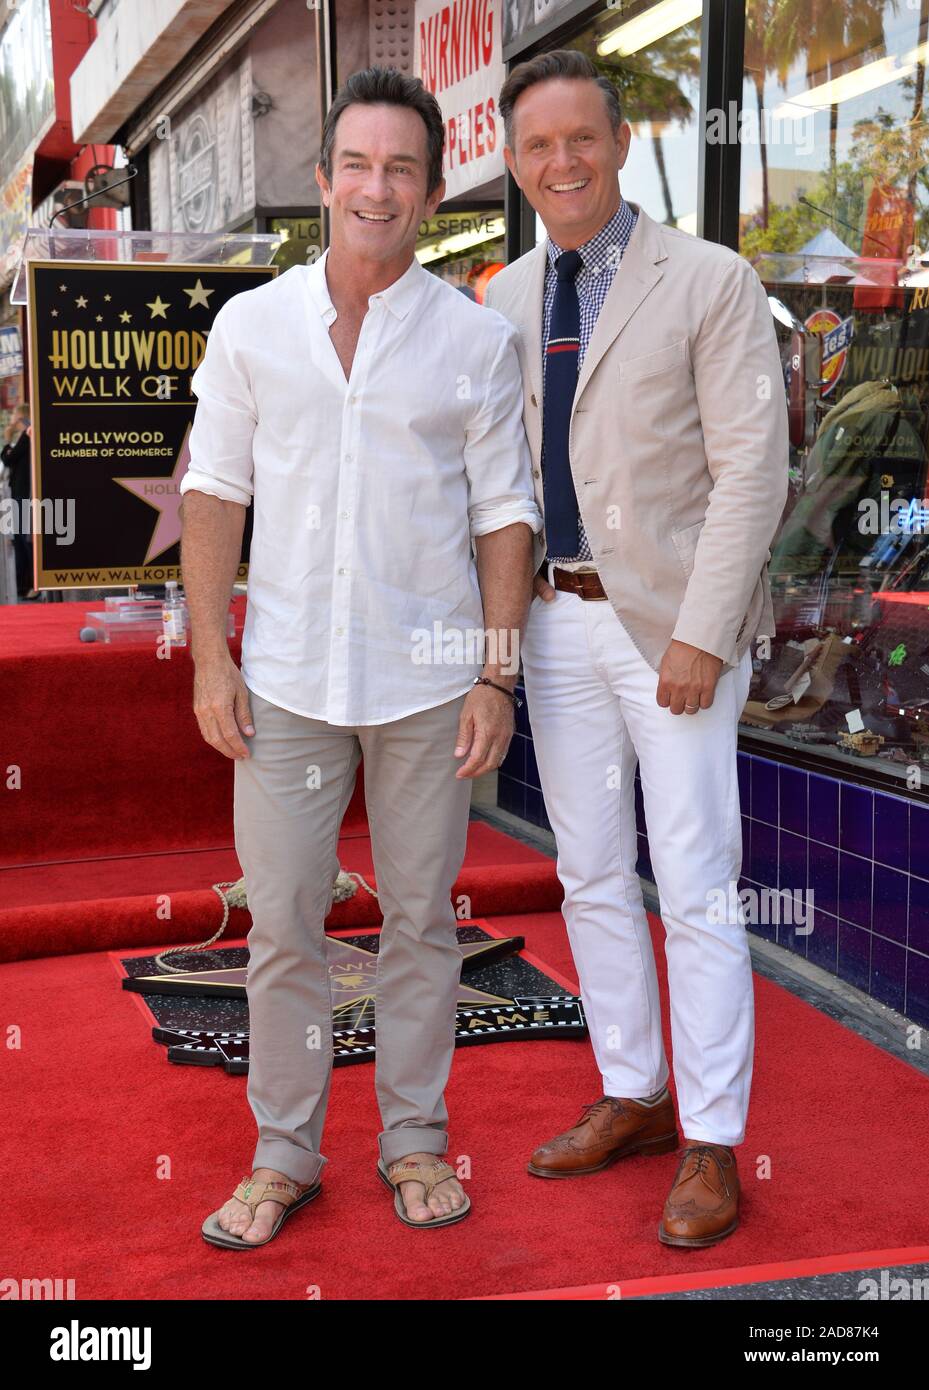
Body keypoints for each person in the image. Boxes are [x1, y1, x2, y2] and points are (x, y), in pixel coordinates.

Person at [181, 66, 541, 1247]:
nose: (373, 187)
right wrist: (211, 661)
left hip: (429, 681)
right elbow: (214, 493)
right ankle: (285, 1152)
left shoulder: (472, 341)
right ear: (321, 178)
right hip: (282, 678)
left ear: (432, 191)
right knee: (284, 919)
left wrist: (494, 672)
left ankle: (415, 1139)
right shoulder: (251, 328)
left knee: (420, 922)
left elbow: (503, 514)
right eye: (355, 164)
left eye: (400, 168)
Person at [484, 50, 789, 1247]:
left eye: (579, 140)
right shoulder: (503, 300)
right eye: (537, 146)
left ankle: (712, 1138)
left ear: (617, 145)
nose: (560, 162)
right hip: (555, 622)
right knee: (588, 872)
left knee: (699, 887)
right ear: (512, 163)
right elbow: (496, 481)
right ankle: (634, 1092)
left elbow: (749, 473)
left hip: (670, 629)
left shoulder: (706, 280)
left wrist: (703, 632)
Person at [1, 406, 35, 600]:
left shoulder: (26, 436)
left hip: (24, 494)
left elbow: (8, 459)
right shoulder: (24, 436)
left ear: (20, 416)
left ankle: (31, 584)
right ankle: (23, 585)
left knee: (24, 540)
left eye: (13, 414)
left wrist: (6, 439)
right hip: (19, 493)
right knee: (20, 540)